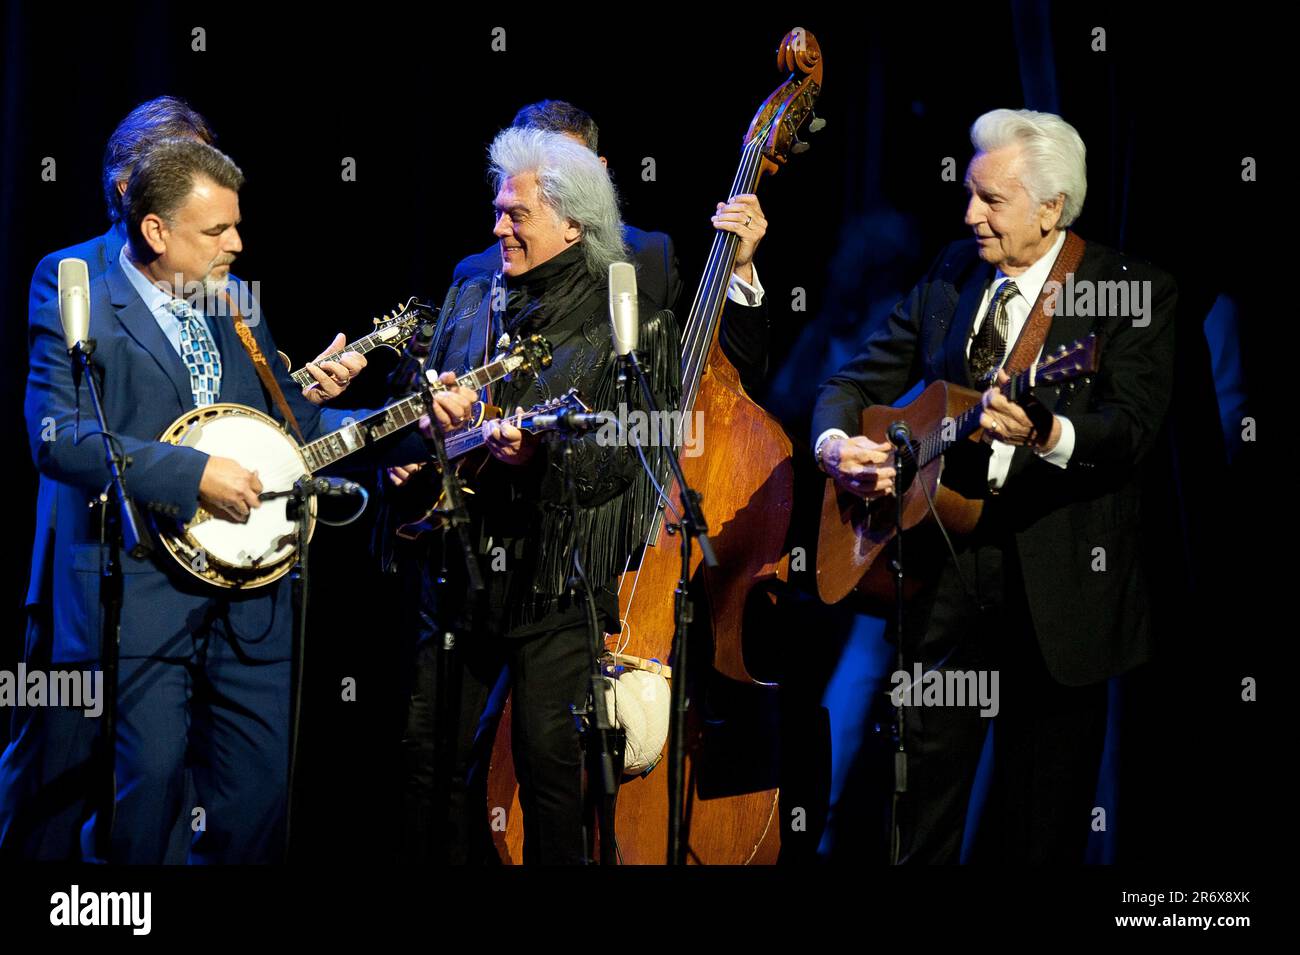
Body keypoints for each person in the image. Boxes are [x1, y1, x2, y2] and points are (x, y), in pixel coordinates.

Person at [0, 98, 364, 862]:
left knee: (248, 796)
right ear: (144, 204)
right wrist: (194, 474)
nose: (234, 240)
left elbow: (286, 424)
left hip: (242, 585)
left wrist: (413, 427)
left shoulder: (229, 294)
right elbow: (60, 434)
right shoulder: (74, 279)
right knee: (79, 784)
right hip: (114, 580)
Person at [811, 109, 1177, 863]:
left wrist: (1048, 433)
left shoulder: (1128, 288)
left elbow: (1132, 430)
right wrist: (836, 445)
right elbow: (852, 381)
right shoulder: (952, 271)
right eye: (971, 194)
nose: (970, 214)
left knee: (1041, 828)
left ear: (1051, 209)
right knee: (917, 820)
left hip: (1060, 590)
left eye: (991, 200)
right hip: (943, 575)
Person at [396, 126, 688, 864]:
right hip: (460, 571)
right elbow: (423, 409)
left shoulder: (630, 318)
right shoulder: (472, 294)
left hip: (557, 581)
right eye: (498, 212)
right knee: (430, 762)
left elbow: (623, 459)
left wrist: (539, 457)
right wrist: (430, 430)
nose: (499, 229)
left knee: (550, 774)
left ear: (573, 223)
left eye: (517, 215)